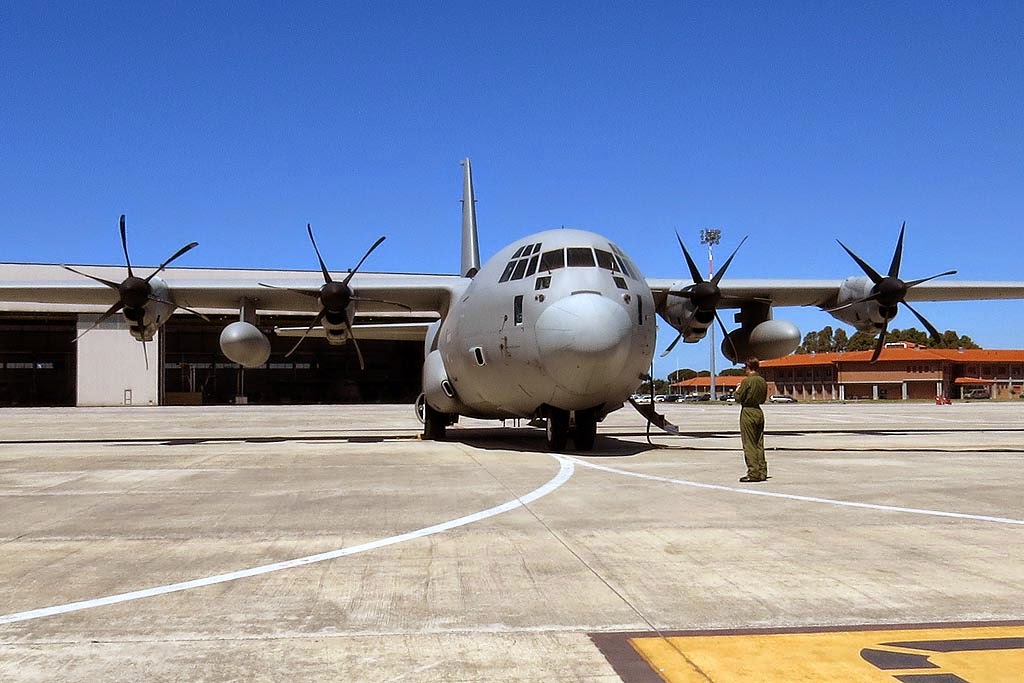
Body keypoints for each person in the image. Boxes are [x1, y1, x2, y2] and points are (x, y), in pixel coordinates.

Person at [734, 357, 769, 482]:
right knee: (759, 443)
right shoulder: (762, 381)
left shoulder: (747, 381)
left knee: (749, 444)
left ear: (748, 367)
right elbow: (764, 399)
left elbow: (738, 398)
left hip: (748, 411)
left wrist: (737, 390)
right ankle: (762, 471)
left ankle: (753, 472)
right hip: (758, 411)